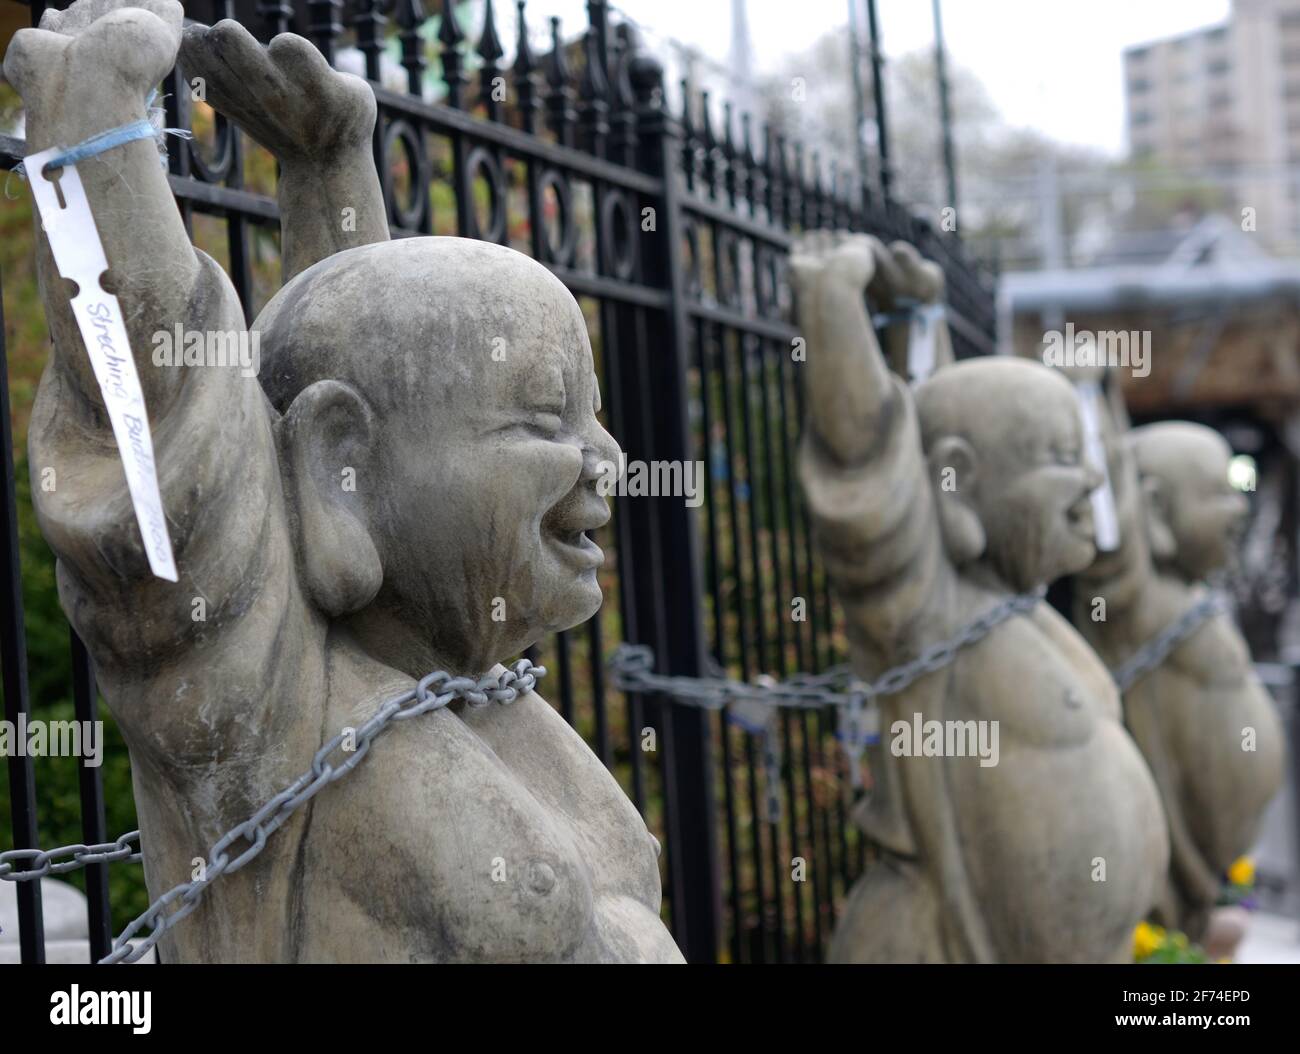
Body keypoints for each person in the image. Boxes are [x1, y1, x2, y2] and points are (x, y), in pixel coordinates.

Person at [6, 1, 682, 962]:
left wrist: (331, 176)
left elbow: (360, 383)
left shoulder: (467, 684)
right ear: (337, 467)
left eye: (593, 416)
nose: (607, 459)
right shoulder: (277, 716)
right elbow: (186, 451)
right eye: (544, 420)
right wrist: (97, 137)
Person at [791, 231, 1168, 962]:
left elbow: (938, 425)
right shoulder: (928, 615)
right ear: (958, 480)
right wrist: (833, 300)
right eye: (1062, 459)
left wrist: (916, 327)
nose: (1090, 482)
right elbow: (872, 469)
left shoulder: (1009, 607)